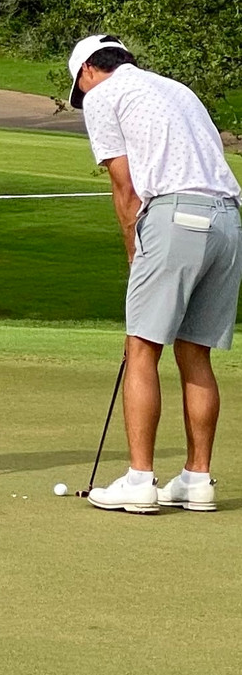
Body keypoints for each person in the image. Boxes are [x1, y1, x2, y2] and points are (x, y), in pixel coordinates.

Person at [69, 35, 242, 515]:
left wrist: (134, 254)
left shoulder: (103, 96)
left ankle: (140, 480)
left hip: (174, 215)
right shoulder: (178, 89)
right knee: (195, 350)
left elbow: (126, 188)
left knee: (141, 347)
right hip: (229, 219)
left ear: (87, 72)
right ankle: (196, 479)